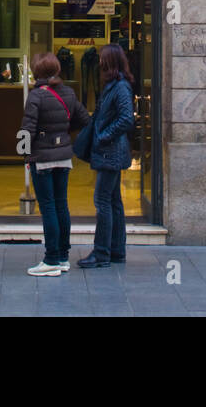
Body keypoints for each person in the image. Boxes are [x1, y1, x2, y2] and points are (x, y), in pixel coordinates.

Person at [20, 52, 89, 275]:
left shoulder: (35, 96)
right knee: (61, 205)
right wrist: (66, 134)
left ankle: (50, 260)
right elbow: (85, 120)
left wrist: (25, 156)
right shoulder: (69, 93)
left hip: (42, 159)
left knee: (48, 207)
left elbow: (27, 130)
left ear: (37, 71)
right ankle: (62, 257)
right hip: (64, 157)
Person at [80, 44, 135, 269]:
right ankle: (116, 250)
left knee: (102, 201)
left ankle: (102, 252)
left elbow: (126, 119)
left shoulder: (120, 87)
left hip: (110, 152)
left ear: (110, 62)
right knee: (113, 201)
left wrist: (103, 136)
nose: (99, 63)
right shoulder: (114, 85)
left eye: (103, 59)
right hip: (111, 150)